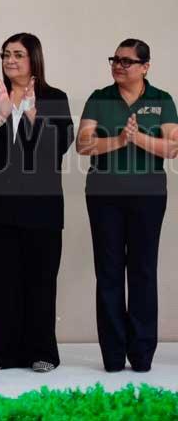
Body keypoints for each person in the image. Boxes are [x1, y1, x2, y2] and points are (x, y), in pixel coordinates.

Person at [0, 33, 74, 373]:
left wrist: (31, 117)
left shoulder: (54, 97)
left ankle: (42, 351)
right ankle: (2, 352)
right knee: (0, 280)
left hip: (40, 205)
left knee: (40, 279)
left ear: (33, 59)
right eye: (5, 54)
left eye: (17, 54)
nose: (10, 60)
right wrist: (0, 117)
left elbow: (61, 145)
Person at [76, 38, 178, 372]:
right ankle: (113, 354)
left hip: (148, 197)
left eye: (127, 61)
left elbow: (172, 148)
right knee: (108, 272)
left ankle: (142, 354)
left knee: (143, 271)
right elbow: (83, 144)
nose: (118, 66)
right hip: (103, 197)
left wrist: (138, 138)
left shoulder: (161, 100)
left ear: (145, 67)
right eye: (115, 60)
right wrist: (119, 139)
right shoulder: (99, 98)